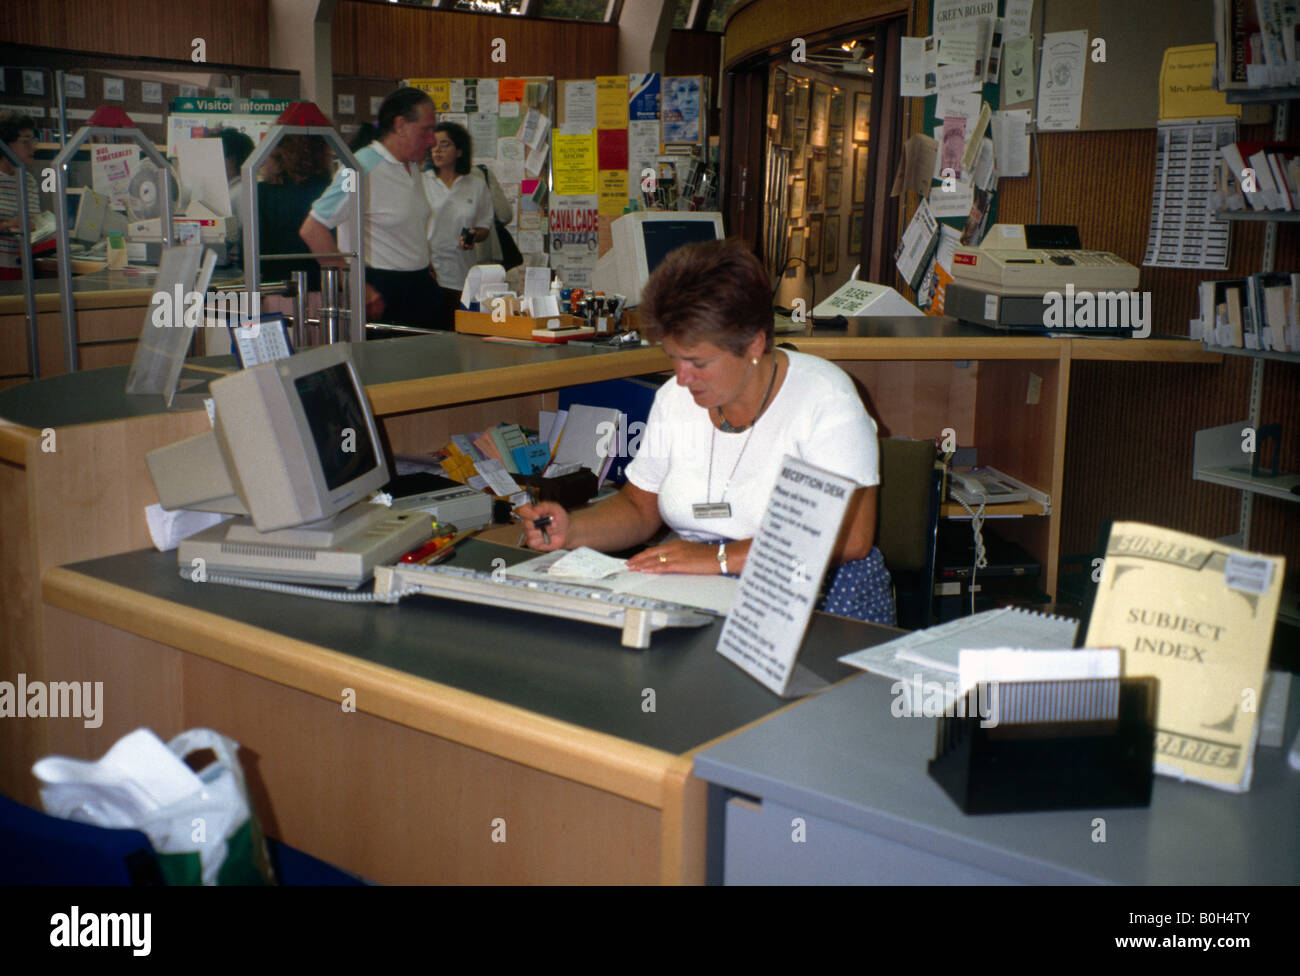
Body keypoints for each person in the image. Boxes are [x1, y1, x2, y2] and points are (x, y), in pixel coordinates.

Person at [518, 240, 896, 625]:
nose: (682, 378)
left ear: (754, 345)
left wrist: (717, 559)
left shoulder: (825, 400)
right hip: (701, 587)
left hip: (818, 600)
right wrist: (574, 528)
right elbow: (639, 508)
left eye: (698, 362)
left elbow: (850, 537)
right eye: (673, 357)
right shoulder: (674, 400)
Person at [301, 87, 439, 330]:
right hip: (382, 290)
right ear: (400, 125)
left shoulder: (413, 168)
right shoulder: (359, 167)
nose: (432, 140)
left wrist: (425, 264)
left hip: (418, 285)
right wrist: (357, 286)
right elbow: (313, 229)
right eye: (426, 130)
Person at [256, 135, 335, 335]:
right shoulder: (329, 190)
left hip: (278, 292)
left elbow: (251, 254)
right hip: (327, 292)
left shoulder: (262, 193)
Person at [423, 121, 492, 329]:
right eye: (434, 144)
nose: (437, 149)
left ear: (459, 150)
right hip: (428, 273)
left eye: (445, 144)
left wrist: (474, 235)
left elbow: (484, 227)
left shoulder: (476, 185)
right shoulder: (421, 182)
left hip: (462, 274)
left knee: (458, 335)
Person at [0, 112, 54, 278]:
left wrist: (45, 228)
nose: (33, 147)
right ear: (5, 145)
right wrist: (9, 224)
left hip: (23, 267)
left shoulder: (28, 181)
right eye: (25, 141)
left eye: (33, 140)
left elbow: (32, 225)